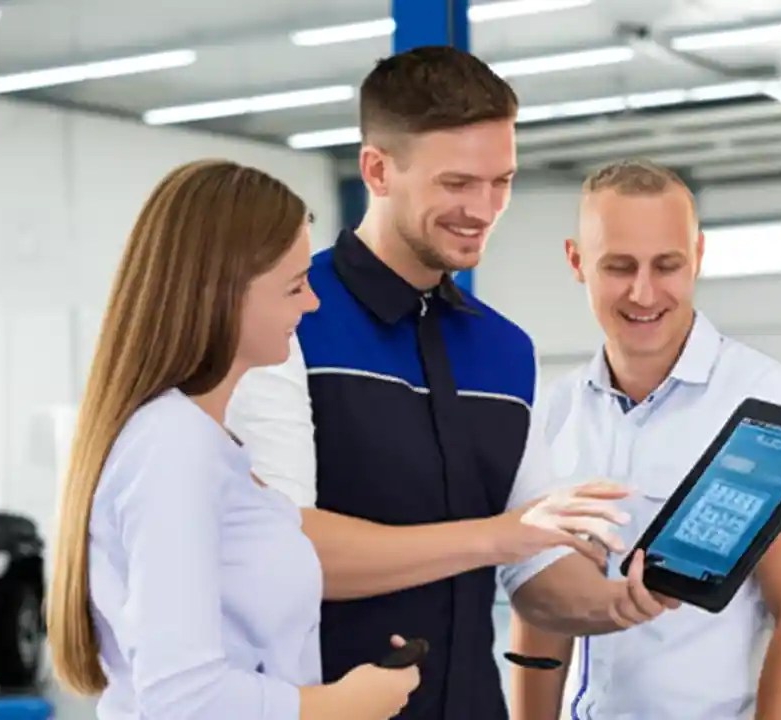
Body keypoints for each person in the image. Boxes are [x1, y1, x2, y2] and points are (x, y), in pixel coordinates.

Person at [226, 46, 639, 720]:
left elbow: (533, 568)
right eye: (457, 183)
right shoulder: (289, 320)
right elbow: (287, 548)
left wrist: (622, 599)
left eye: (501, 181)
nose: (484, 208)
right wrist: (499, 535)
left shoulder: (505, 350)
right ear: (377, 170)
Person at [45, 159, 421, 719]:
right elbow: (183, 699)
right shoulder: (173, 445)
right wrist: (343, 705)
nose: (312, 303)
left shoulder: (207, 444)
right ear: (222, 295)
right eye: (294, 286)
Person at [500, 159, 781, 720]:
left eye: (667, 265)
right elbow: (541, 606)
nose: (643, 292)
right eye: (619, 266)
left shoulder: (769, 399)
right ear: (576, 261)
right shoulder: (553, 412)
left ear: (698, 256)